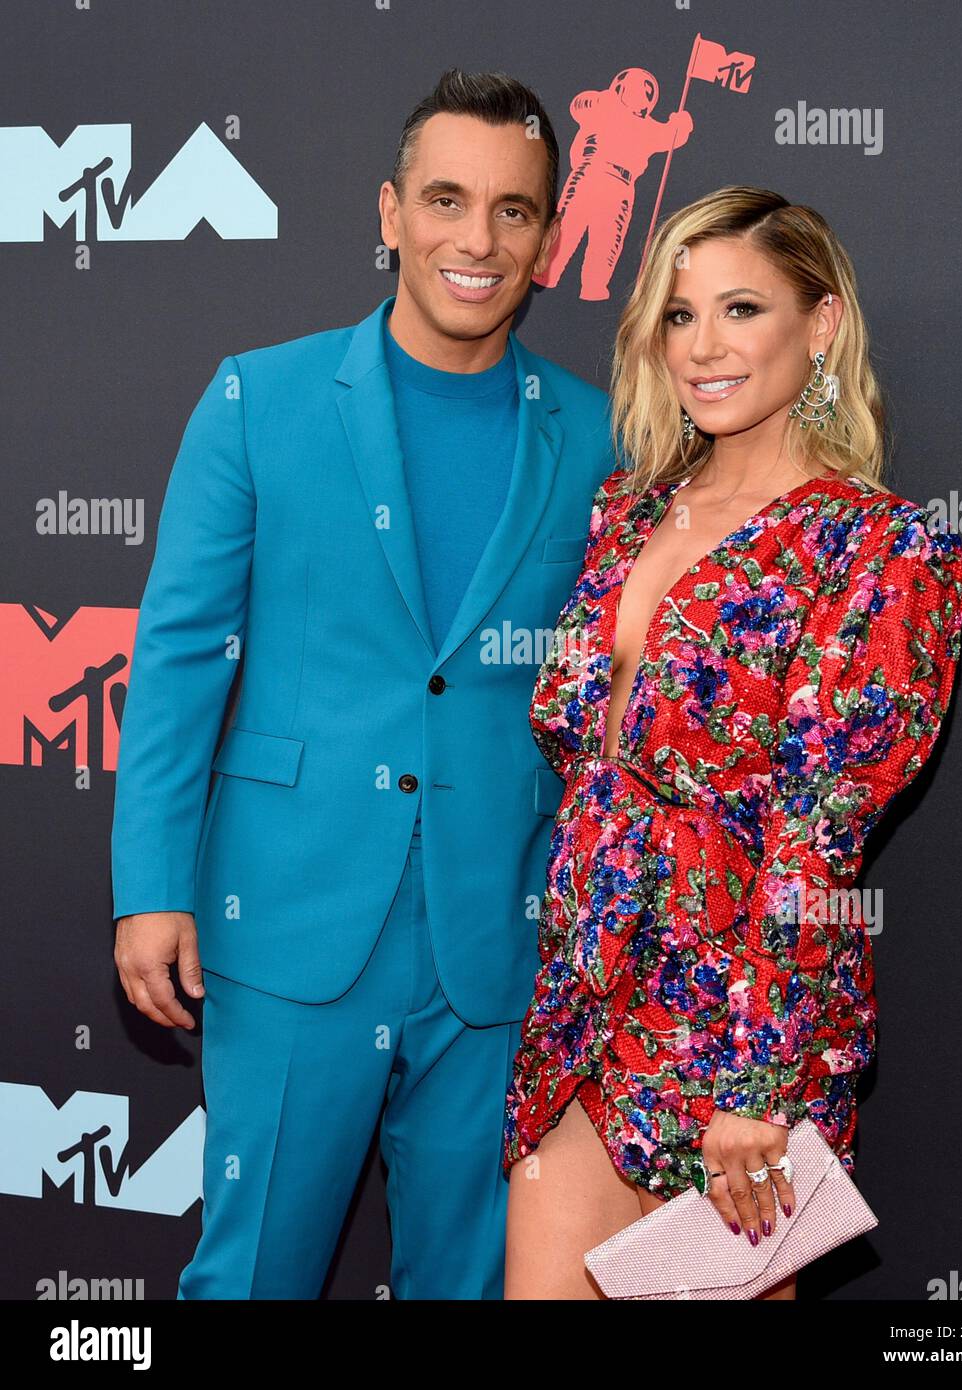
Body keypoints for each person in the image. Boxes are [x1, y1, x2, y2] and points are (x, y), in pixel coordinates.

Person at [110, 68, 615, 1299]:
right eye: (446, 199)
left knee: (472, 1280)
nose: (476, 238)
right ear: (390, 212)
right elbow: (178, 660)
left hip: (500, 940)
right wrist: (151, 887)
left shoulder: (603, 438)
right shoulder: (256, 399)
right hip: (283, 923)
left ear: (549, 238)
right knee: (252, 1278)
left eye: (512, 209)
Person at [502, 185, 962, 1299]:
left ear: (821, 326)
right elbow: (590, 773)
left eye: (740, 309)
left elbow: (822, 837)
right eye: (677, 314)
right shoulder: (627, 513)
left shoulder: (883, 549)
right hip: (585, 1011)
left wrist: (755, 1084)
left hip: (738, 1031)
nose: (701, 347)